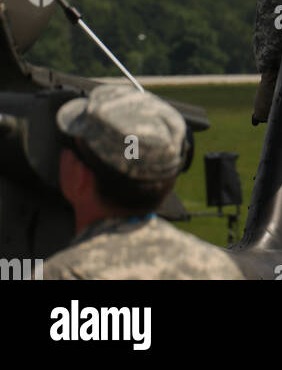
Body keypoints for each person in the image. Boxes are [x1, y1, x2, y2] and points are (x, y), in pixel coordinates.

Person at [42, 83, 245, 280]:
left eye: (69, 146)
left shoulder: (63, 274)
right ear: (169, 181)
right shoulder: (218, 269)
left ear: (79, 176)